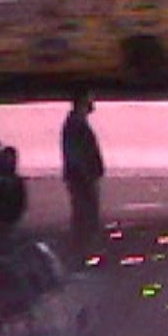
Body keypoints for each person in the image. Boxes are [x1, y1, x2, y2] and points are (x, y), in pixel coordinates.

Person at [61, 89, 104, 251]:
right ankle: (82, 246)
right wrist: (87, 175)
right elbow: (75, 154)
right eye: (89, 100)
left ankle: (83, 245)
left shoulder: (77, 123)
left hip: (83, 177)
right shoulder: (75, 125)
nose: (92, 104)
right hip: (82, 178)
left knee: (85, 213)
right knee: (85, 213)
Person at [0, 145, 27, 233]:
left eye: (13, 159)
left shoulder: (15, 179)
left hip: (9, 214)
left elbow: (21, 201)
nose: (12, 161)